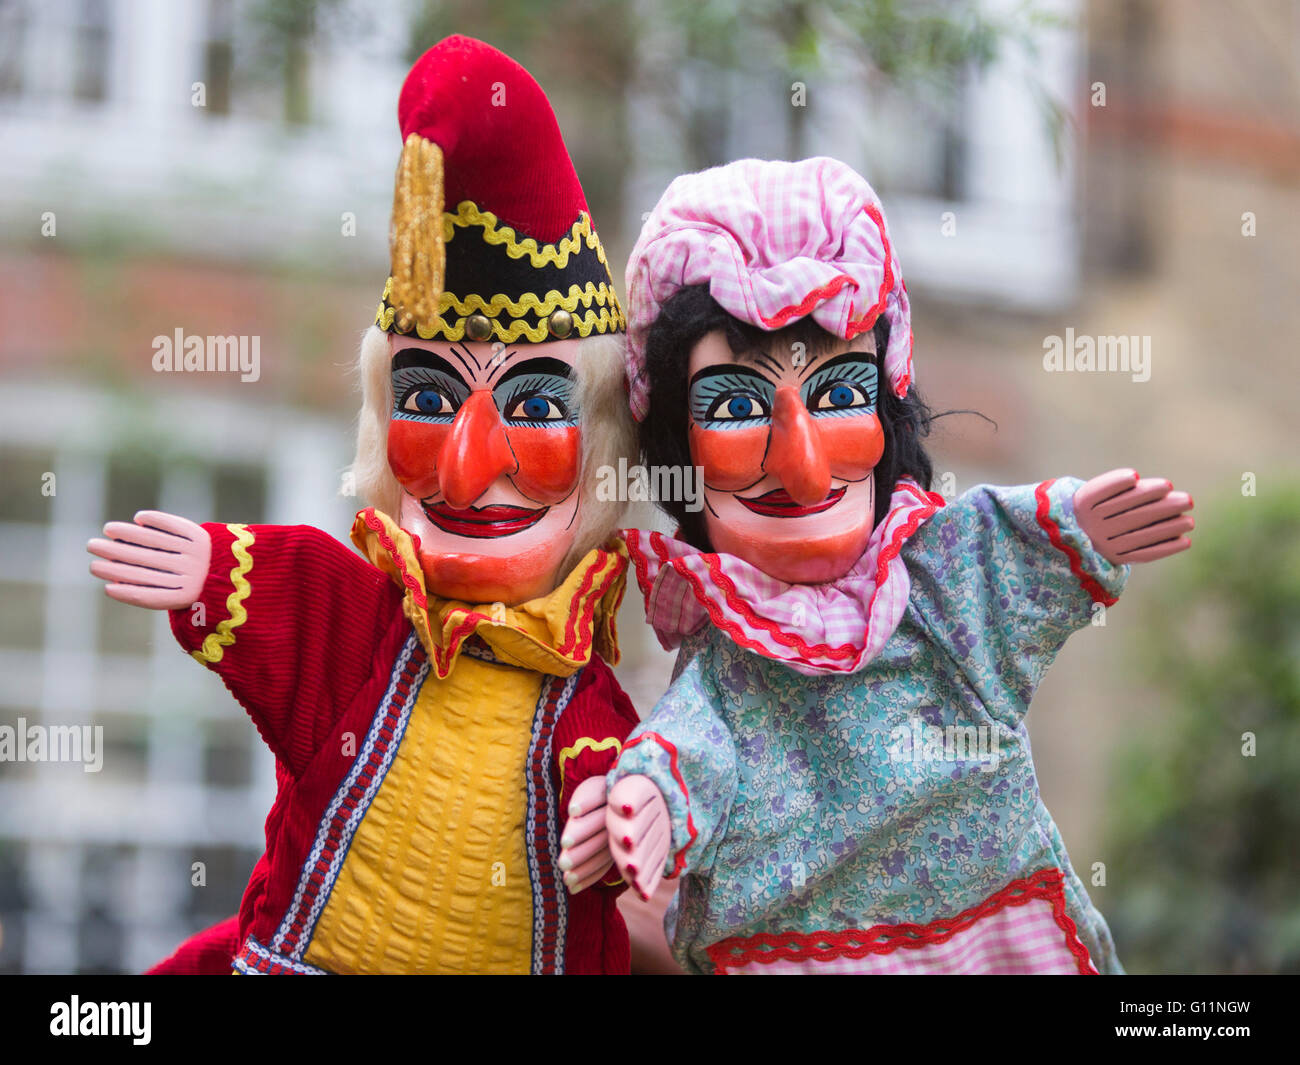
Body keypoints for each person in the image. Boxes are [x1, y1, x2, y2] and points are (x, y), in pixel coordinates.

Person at [87, 35, 639, 975]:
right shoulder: (367, 635)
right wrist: (216, 567)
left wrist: (619, 813)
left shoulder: (581, 697)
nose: (466, 471)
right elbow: (301, 594)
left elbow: (612, 772)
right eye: (426, 399)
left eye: (537, 407)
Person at [561, 156, 1195, 974]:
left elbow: (1003, 545)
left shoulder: (938, 582)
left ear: (886, 406)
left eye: (837, 394)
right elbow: (697, 743)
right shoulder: (728, 667)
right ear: (680, 452)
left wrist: (1075, 524)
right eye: (734, 406)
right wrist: (645, 798)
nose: (801, 464)